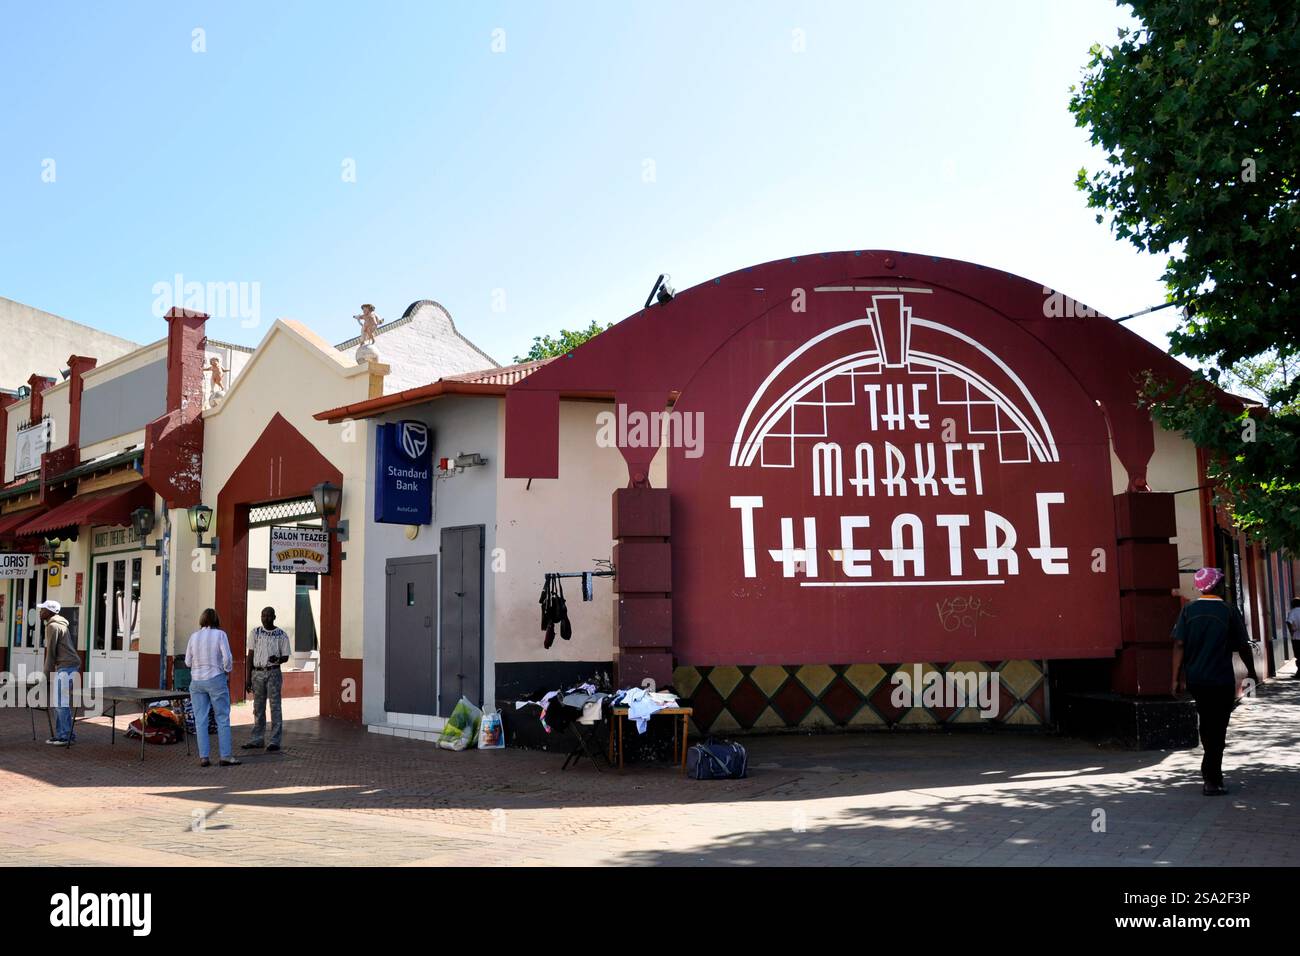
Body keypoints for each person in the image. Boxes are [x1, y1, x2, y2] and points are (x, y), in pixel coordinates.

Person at [1171, 567, 1259, 796]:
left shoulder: (1188, 610)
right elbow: (1242, 645)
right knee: (1218, 728)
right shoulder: (1228, 610)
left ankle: (1210, 772)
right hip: (1220, 680)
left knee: (1207, 723)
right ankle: (1212, 778)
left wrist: (1176, 679)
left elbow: (1179, 644)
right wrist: (1252, 671)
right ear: (1217, 586)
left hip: (1196, 679)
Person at [184, 608, 240, 767]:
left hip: (196, 681)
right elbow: (227, 657)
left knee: (200, 720)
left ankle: (204, 757)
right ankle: (225, 756)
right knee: (222, 717)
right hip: (216, 678)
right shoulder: (220, 635)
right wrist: (226, 670)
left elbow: (188, 662)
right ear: (216, 620)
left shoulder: (194, 637)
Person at [242, 606, 291, 752]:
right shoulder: (255, 633)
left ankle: (275, 740)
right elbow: (250, 655)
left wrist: (278, 659)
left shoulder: (281, 635)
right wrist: (247, 677)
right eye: (263, 616)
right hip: (257, 673)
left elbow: (286, 656)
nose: (266, 618)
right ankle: (257, 739)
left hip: (273, 672)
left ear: (274, 617)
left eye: (269, 616)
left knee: (275, 707)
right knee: (258, 707)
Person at [39, 600, 80, 746]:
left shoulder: (53, 626)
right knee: (59, 702)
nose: (40, 612)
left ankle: (65, 736)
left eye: (43, 609)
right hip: (67, 665)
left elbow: (50, 652)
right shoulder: (58, 624)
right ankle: (63, 734)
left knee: (60, 702)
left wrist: (44, 676)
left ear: (49, 612)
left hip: (67, 666)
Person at [1287, 598, 1300, 678]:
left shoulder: (1292, 612)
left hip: (1296, 638)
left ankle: (1299, 672)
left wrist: (1291, 631)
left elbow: (1289, 622)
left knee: (1298, 655)